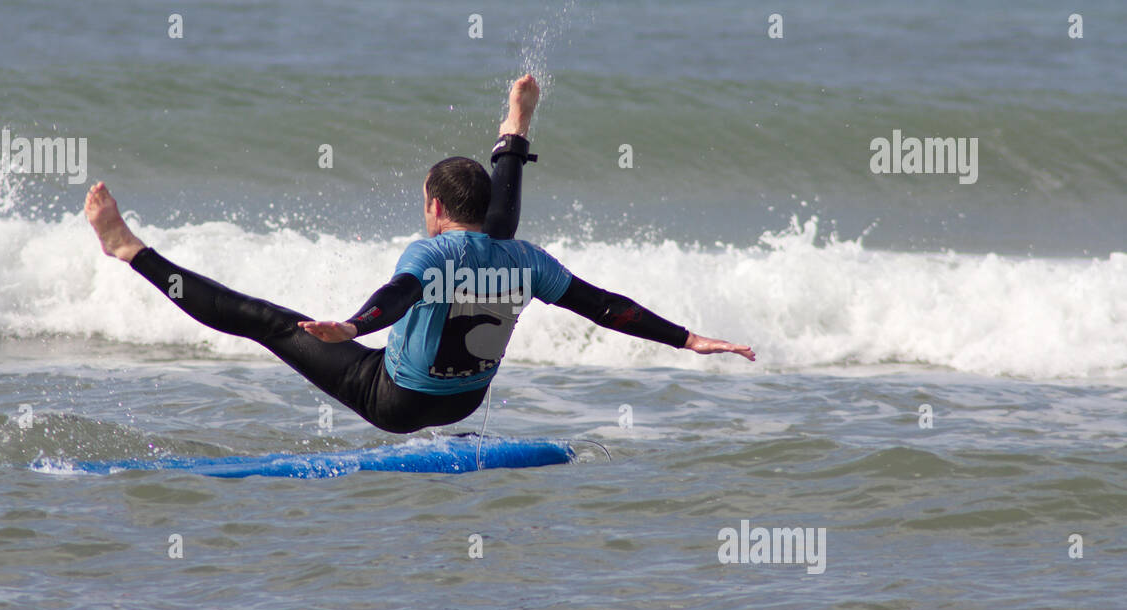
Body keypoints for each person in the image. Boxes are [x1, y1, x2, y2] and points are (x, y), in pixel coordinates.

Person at [84, 74, 755, 433]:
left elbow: (399, 294)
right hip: (464, 402)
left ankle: (129, 250)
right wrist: (687, 337)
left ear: (435, 208)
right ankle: (513, 133)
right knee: (500, 247)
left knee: (264, 320)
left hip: (396, 402)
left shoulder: (429, 255)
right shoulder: (530, 260)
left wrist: (352, 325)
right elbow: (606, 307)